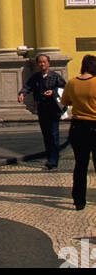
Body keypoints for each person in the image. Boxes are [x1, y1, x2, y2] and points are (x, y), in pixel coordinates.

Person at [60, 53, 96, 211]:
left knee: (80, 165)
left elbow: (65, 101)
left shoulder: (72, 83)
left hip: (78, 127)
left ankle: (79, 200)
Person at [18, 53, 66, 169]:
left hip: (53, 108)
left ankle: (53, 160)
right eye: (40, 62)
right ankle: (49, 156)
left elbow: (64, 88)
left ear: (48, 63)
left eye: (44, 62)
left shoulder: (55, 76)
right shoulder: (36, 77)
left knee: (54, 133)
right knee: (46, 134)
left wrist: (53, 92)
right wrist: (22, 94)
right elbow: (27, 87)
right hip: (42, 108)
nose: (42, 64)